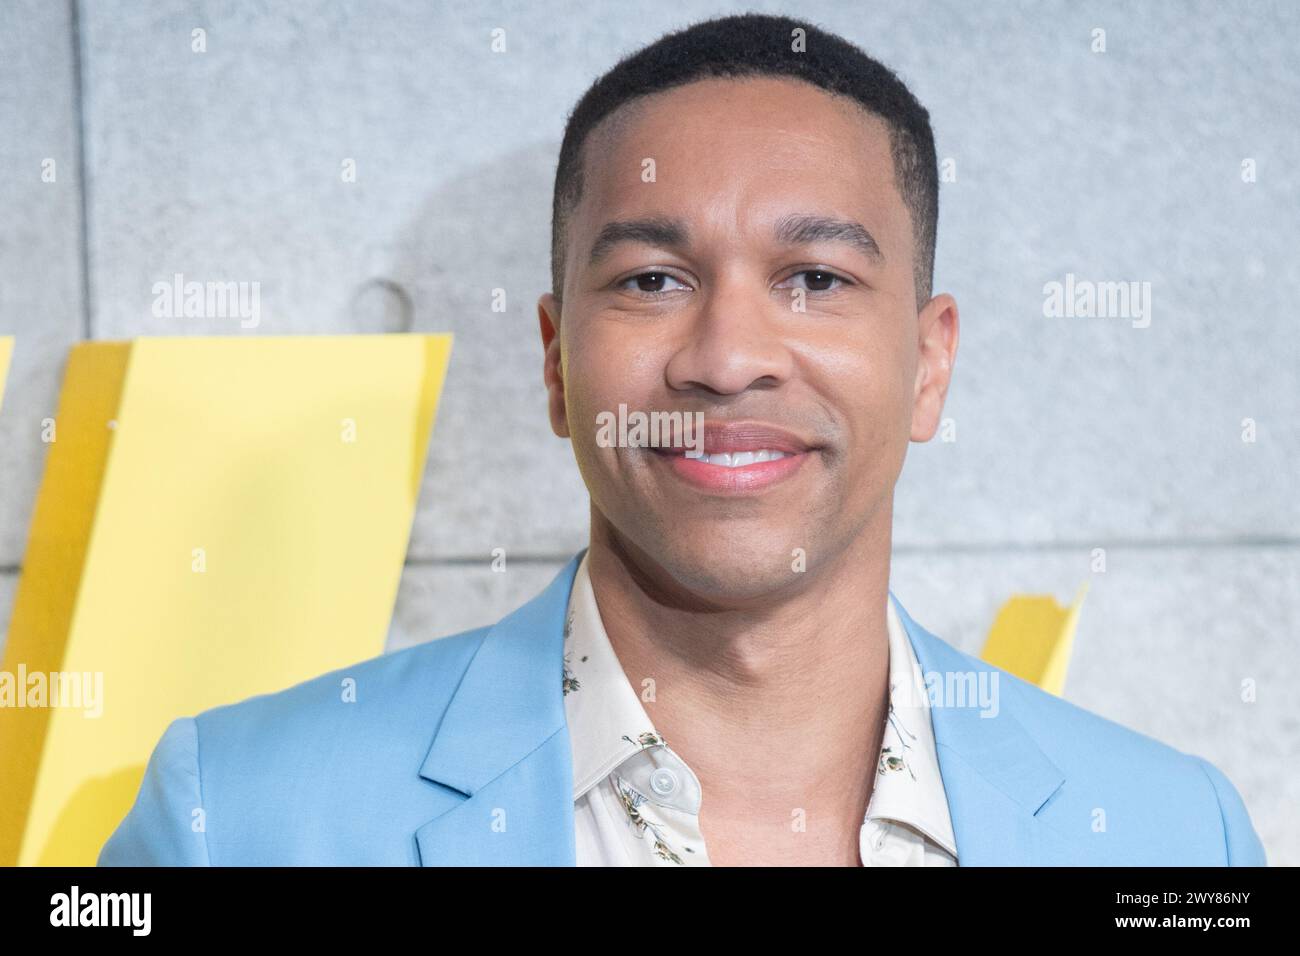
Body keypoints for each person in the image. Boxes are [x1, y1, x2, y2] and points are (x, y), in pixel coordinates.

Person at [99, 12, 1266, 867]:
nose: (727, 354)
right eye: (653, 278)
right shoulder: (238, 818)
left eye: (814, 277)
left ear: (932, 362)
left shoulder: (1176, 836)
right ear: (556, 360)